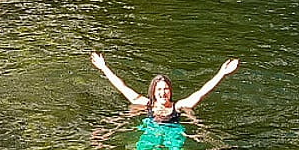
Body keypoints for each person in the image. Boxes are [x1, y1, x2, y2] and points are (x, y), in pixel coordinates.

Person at [89, 52, 239, 124]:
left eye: (166, 89)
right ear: (153, 91)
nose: (163, 93)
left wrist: (222, 73)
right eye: (159, 89)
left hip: (173, 134)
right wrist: (104, 67)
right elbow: (122, 87)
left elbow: (202, 91)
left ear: (170, 91)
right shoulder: (144, 103)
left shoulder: (179, 106)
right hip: (150, 133)